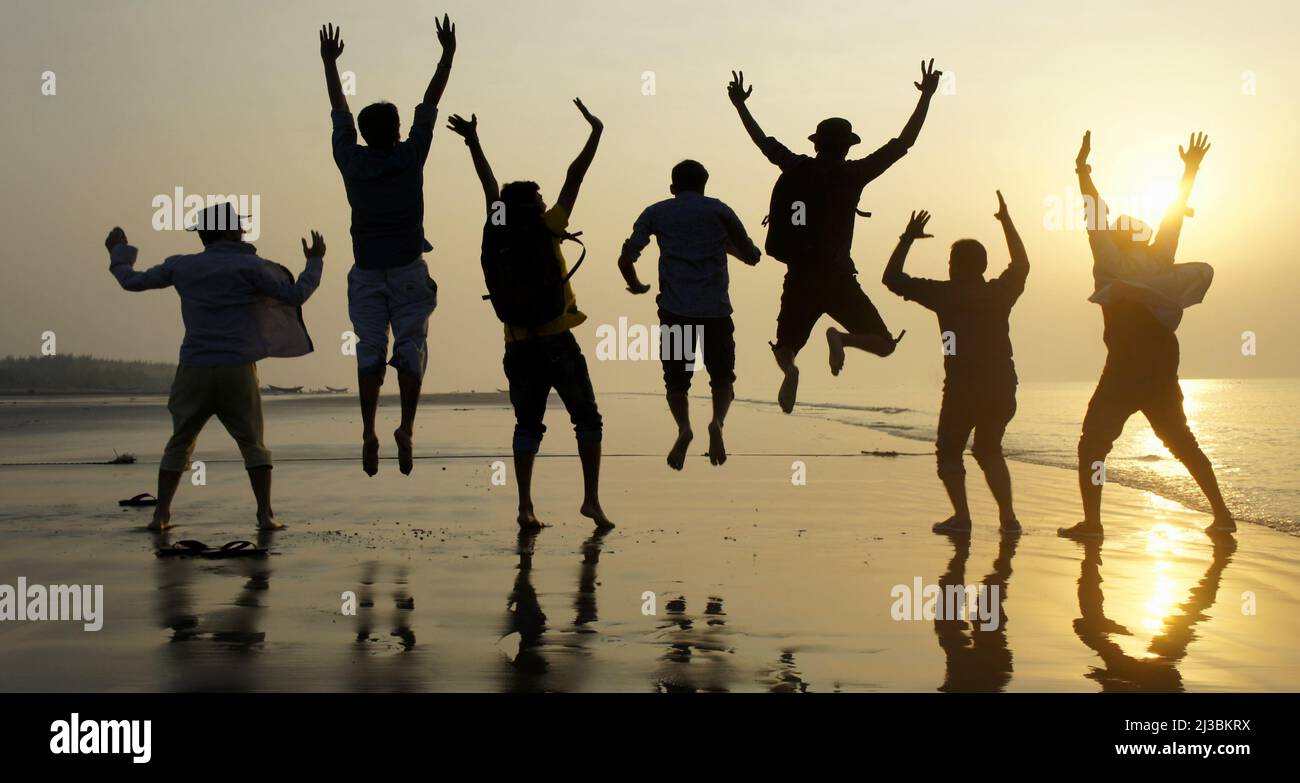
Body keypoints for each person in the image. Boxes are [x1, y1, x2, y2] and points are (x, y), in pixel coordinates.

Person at [726, 60, 943, 412]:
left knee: (785, 348)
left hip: (800, 277)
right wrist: (927, 97)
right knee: (884, 344)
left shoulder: (796, 167)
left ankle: (792, 371)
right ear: (847, 147)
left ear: (817, 145)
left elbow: (763, 142)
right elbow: (904, 143)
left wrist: (741, 106)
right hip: (840, 277)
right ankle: (840, 338)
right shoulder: (854, 174)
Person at [445, 100, 614, 531]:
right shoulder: (547, 225)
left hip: (518, 343)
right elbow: (576, 177)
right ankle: (591, 500)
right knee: (587, 418)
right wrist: (595, 133)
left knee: (528, 424)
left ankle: (525, 507)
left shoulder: (496, 223)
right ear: (536, 206)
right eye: (539, 198)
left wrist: (473, 141)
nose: (544, 201)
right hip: (557, 339)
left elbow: (488, 184)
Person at [104, 202, 325, 532]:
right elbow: (294, 295)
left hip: (194, 366)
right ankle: (265, 515)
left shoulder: (182, 266)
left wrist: (119, 252)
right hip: (237, 368)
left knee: (179, 443)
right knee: (253, 444)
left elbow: (132, 281)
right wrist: (314, 261)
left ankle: (160, 515)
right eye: (238, 226)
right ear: (230, 231)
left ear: (205, 235)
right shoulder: (252, 268)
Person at [1059, 131, 1234, 539]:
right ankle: (1222, 515)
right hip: (1160, 366)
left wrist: (1083, 170)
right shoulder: (1159, 257)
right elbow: (1172, 218)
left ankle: (1094, 523)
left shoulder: (1110, 260)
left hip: (1124, 369)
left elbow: (1093, 214)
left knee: (1093, 446)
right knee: (1182, 442)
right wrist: (1190, 169)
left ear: (1120, 236)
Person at [318, 16, 456, 477]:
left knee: (369, 352)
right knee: (412, 348)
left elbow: (339, 109)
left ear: (364, 133)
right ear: (396, 130)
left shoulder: (350, 160)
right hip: (408, 268)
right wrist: (447, 55)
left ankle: (368, 429)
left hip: (366, 271)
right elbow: (430, 103)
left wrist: (330, 64)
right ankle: (407, 428)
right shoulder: (410, 155)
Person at [882, 194, 1028, 536]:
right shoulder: (999, 293)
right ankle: (1008, 519)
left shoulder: (944, 294)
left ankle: (962, 518)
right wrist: (1006, 221)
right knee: (989, 449)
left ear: (954, 266)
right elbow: (1022, 263)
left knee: (949, 451)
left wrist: (907, 239)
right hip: (1002, 385)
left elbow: (892, 278)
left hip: (963, 388)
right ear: (982, 266)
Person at [617, 159, 762, 470]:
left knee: (676, 383)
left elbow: (626, 258)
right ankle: (717, 424)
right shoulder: (720, 211)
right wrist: (725, 247)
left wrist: (637, 285)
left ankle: (684, 428)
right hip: (715, 312)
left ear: (673, 188)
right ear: (704, 185)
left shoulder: (656, 212)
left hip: (675, 311)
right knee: (722, 379)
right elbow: (752, 256)